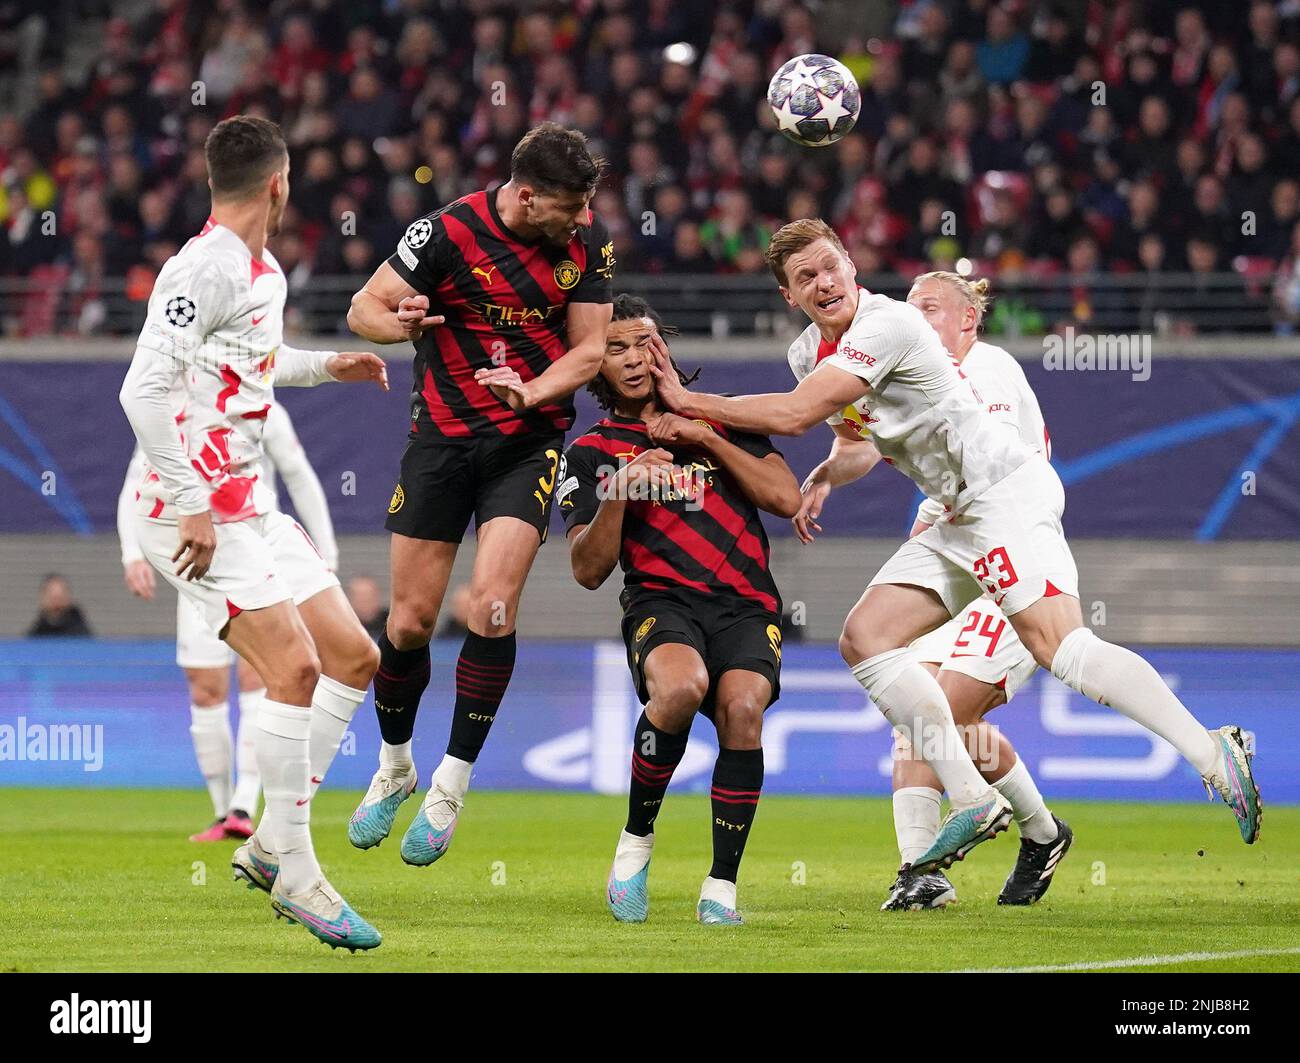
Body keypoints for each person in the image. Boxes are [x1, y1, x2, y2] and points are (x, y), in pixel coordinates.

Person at [649, 218, 1261, 873]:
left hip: (1001, 491)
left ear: (852, 266)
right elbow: (856, 435)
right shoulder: (808, 355)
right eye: (806, 277)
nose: (824, 282)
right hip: (954, 516)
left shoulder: (888, 325)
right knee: (865, 637)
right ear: (788, 296)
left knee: (1062, 647)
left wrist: (689, 401)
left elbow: (796, 412)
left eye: (831, 266)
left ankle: (1209, 750)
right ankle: (972, 799)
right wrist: (828, 471)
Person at [119, 114, 390, 951]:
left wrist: (328, 364)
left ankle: (272, 841)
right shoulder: (202, 267)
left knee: (354, 656)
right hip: (196, 515)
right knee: (295, 667)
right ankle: (300, 876)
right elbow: (141, 390)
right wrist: (189, 497)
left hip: (251, 509)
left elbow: (248, 364)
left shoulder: (260, 270)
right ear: (279, 183)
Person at [344, 122, 615, 866]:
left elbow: (590, 349)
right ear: (527, 197)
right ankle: (395, 769)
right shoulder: (445, 232)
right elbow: (362, 308)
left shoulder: (586, 246)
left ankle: (450, 786)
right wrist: (396, 323)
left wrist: (531, 391)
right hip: (440, 439)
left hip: (526, 443)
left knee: (491, 604)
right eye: (572, 204)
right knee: (408, 621)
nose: (585, 218)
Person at [795, 270, 1069, 910]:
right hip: (952, 558)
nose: (915, 316)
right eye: (910, 305)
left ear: (969, 319)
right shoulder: (915, 371)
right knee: (916, 713)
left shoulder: (991, 370)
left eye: (932, 306)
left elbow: (992, 471)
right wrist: (833, 471)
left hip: (1007, 558)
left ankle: (1040, 831)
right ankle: (923, 871)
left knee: (951, 707)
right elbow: (860, 444)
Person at [562, 294, 800, 925]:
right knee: (681, 688)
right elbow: (587, 571)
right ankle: (635, 846)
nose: (636, 358)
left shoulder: (724, 417)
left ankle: (721, 885)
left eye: (646, 342)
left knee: (743, 708)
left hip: (747, 604)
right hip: (661, 601)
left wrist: (701, 434)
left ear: (664, 346)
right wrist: (620, 488)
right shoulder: (588, 452)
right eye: (616, 348)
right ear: (595, 364)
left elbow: (785, 496)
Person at [119, 400, 340, 842]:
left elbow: (298, 473)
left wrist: (327, 554)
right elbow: (134, 484)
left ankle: (246, 802)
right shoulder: (168, 410)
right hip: (195, 565)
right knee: (205, 688)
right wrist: (132, 553)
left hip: (253, 558)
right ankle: (223, 813)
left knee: (261, 676)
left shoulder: (262, 406)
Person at [28, 574, 92, 636]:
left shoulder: (81, 635)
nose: (56, 603)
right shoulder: (36, 636)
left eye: (60, 597)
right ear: (42, 597)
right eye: (52, 597)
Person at [345, 576, 388, 641]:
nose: (364, 601)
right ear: (351, 600)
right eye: (360, 597)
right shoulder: (343, 626)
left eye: (368, 596)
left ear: (377, 597)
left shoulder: (390, 625)